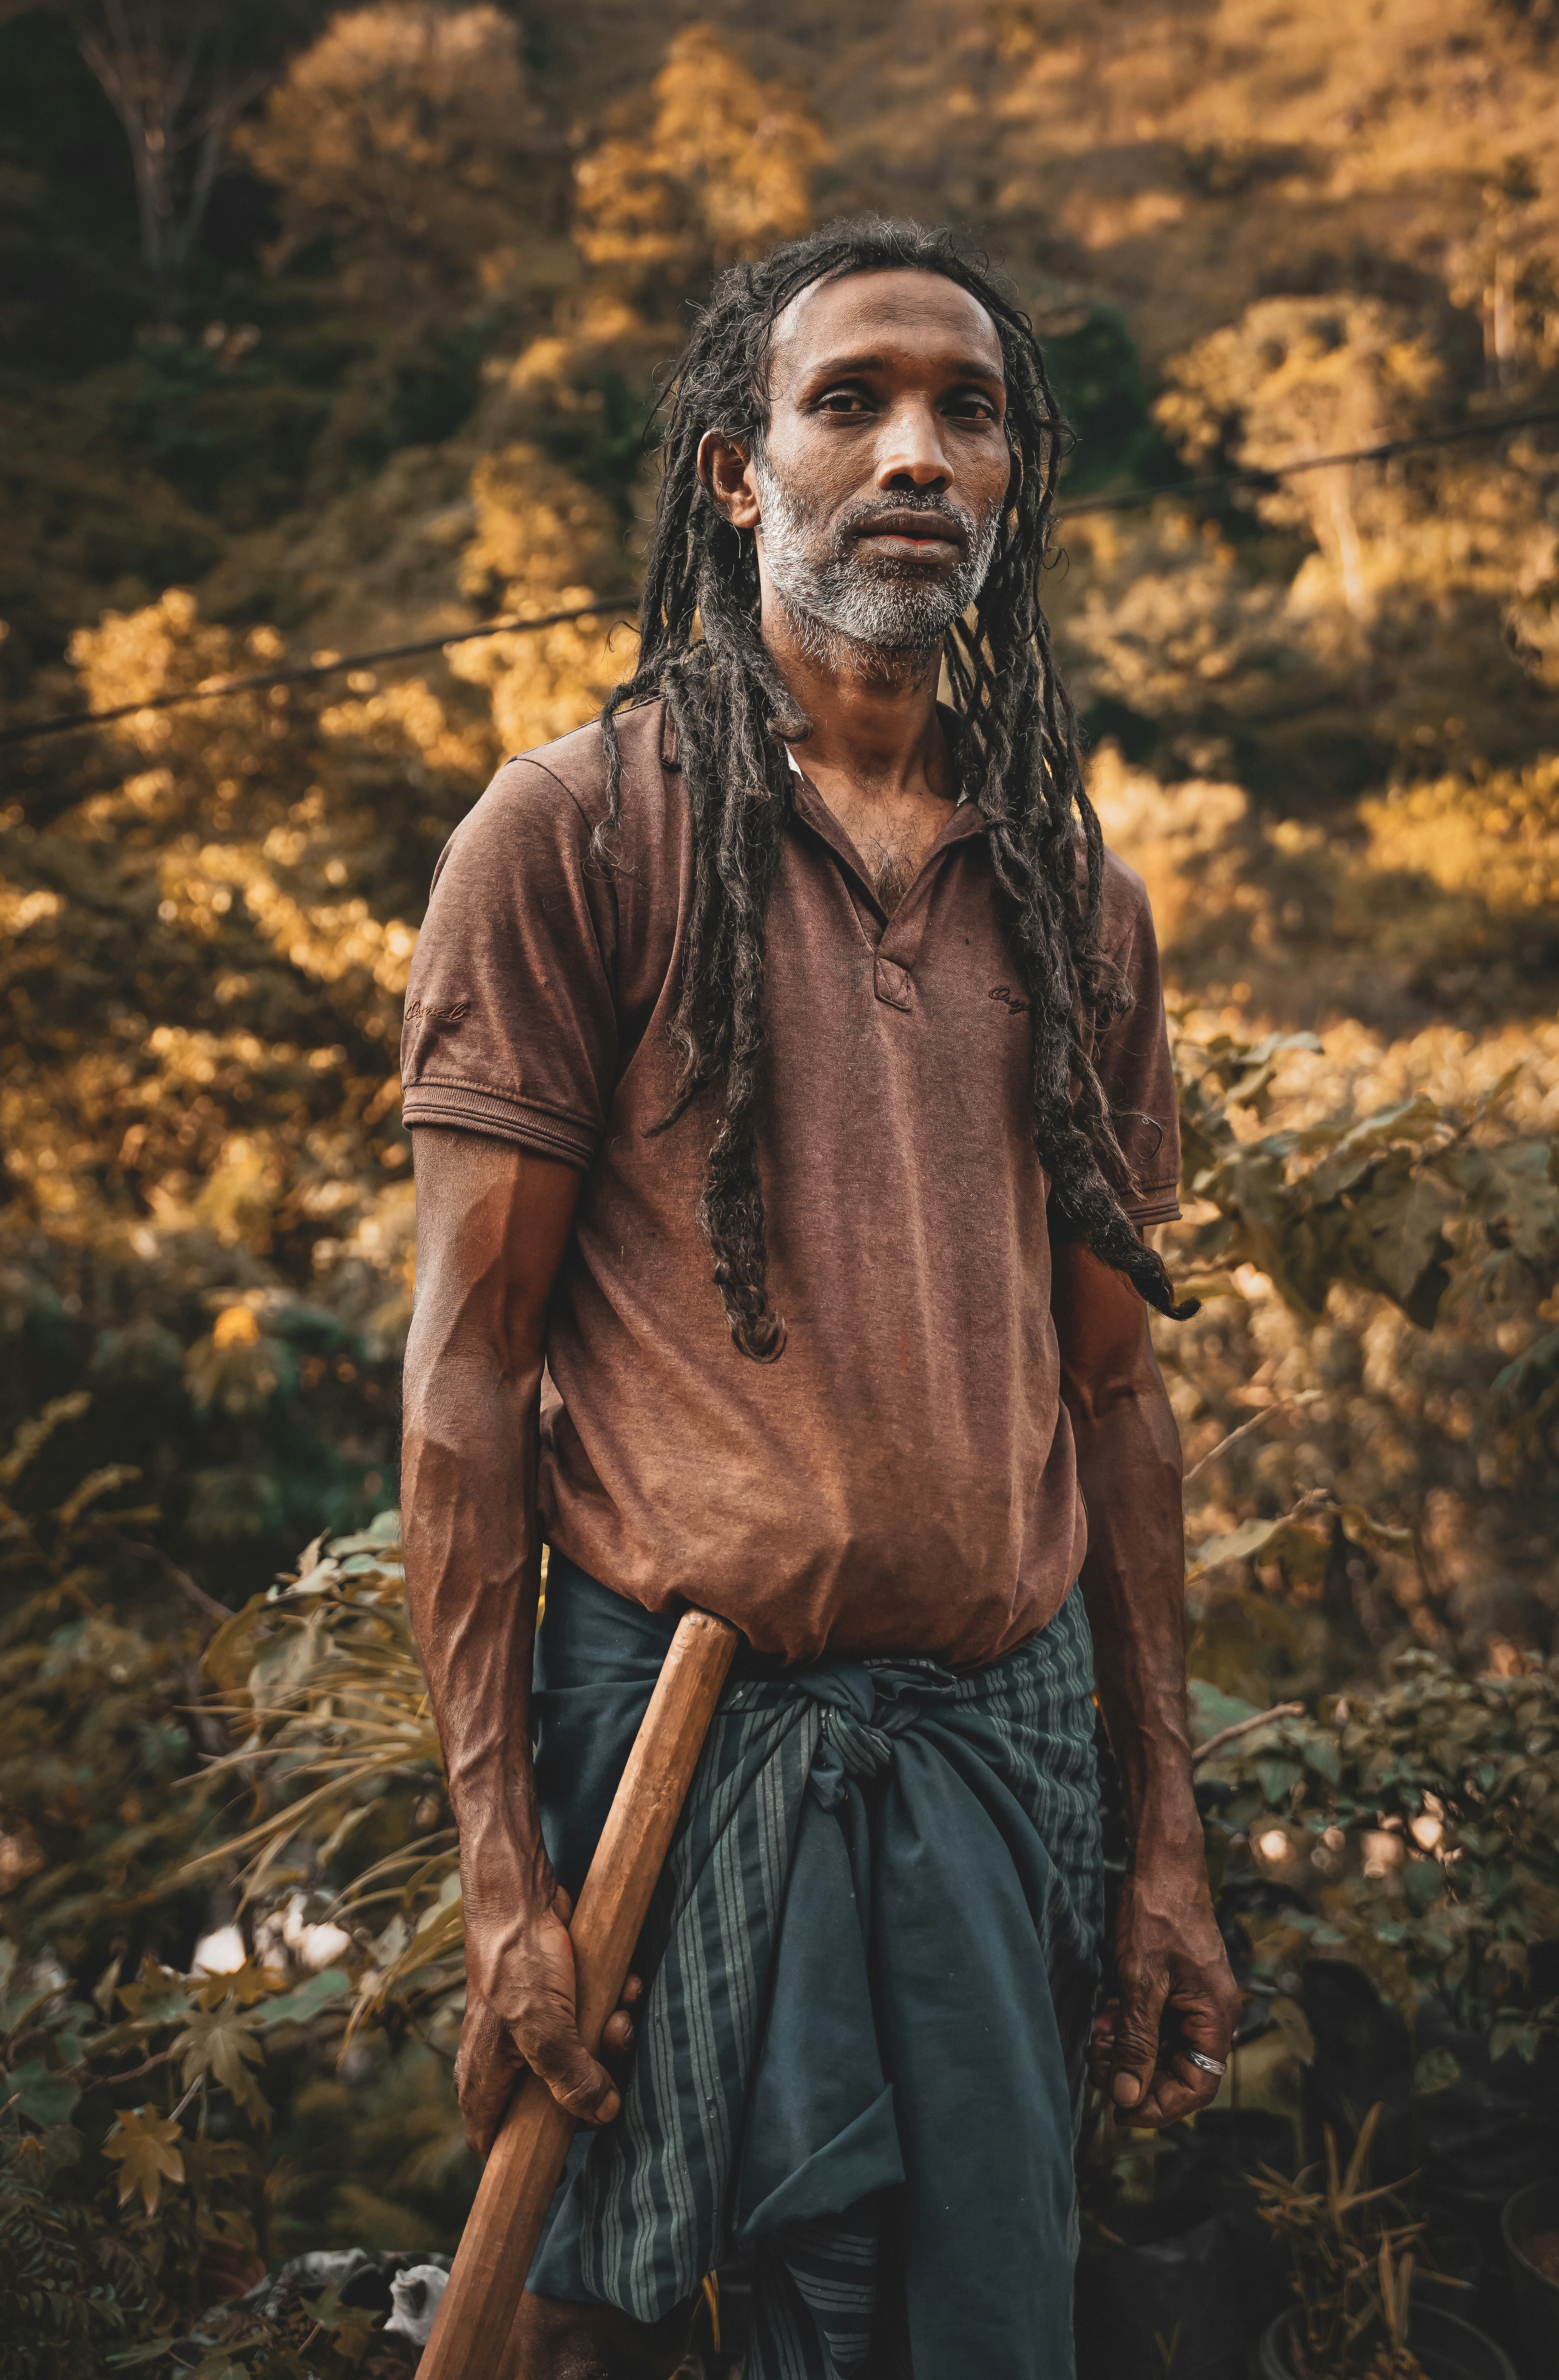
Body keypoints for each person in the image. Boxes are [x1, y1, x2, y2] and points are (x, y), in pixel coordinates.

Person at [399, 217, 1241, 2380]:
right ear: (733, 471)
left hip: (991, 1756)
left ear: (1016, 484)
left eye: (967, 414)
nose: (914, 456)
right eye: (848, 401)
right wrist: (506, 1883)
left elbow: (1117, 1397)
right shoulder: (575, 838)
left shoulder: (1072, 900)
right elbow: (470, 1371)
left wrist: (1165, 1843)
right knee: (656, 2320)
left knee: (969, 2327)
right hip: (675, 1753)